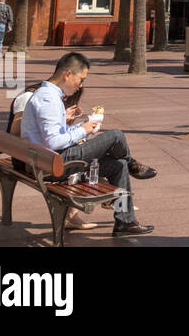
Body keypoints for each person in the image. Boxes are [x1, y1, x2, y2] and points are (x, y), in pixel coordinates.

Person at [21, 52, 157, 237]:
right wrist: (83, 130)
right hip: (53, 164)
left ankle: (125, 221)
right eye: (81, 78)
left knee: (118, 165)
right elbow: (53, 142)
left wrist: (80, 128)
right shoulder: (48, 98)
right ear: (68, 74)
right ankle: (133, 163)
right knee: (115, 135)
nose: (80, 85)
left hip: (48, 160)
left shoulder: (48, 94)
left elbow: (53, 137)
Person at [8, 83, 96, 230]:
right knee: (84, 157)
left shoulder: (45, 98)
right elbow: (16, 132)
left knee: (81, 151)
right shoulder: (29, 98)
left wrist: (64, 117)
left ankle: (74, 214)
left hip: (35, 155)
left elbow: (47, 134)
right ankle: (75, 214)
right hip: (25, 159)